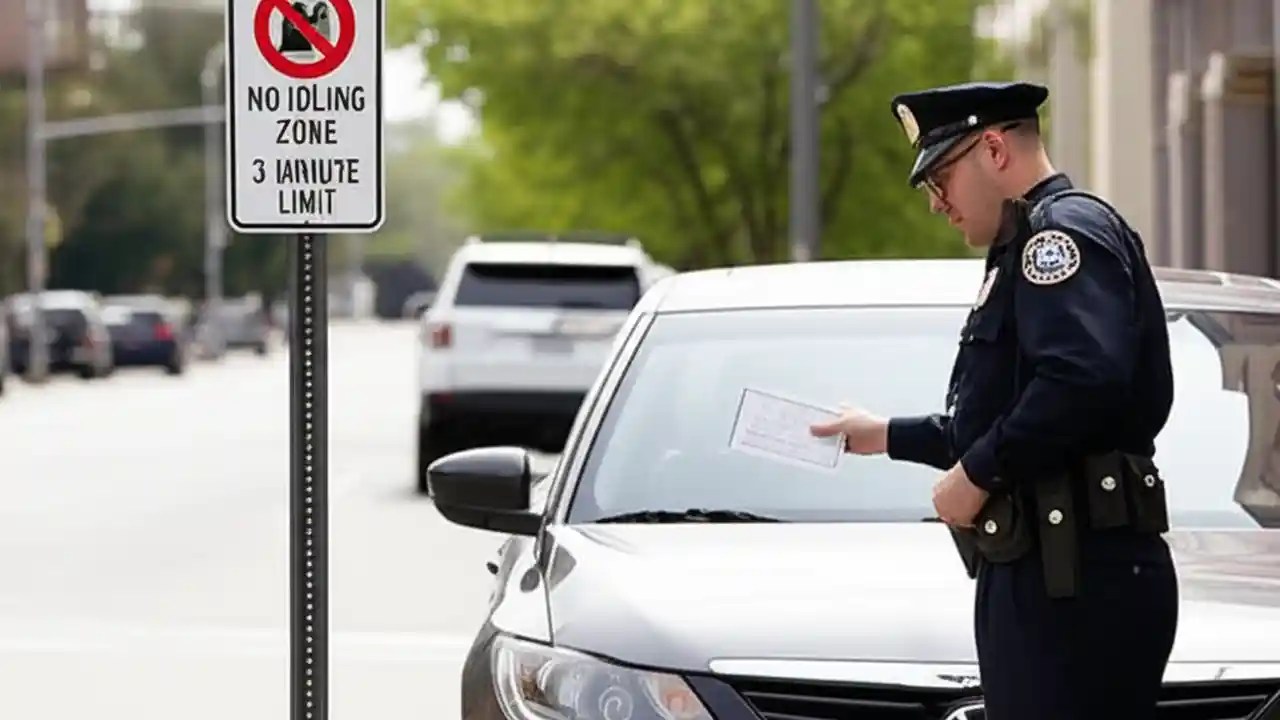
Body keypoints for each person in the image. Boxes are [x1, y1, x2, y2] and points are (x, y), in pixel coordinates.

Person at [810, 81, 1179, 719]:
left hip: (1079, 577)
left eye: (939, 181)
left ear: (993, 149)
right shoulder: (1023, 244)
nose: (937, 205)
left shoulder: (1059, 237)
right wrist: (888, 435)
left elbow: (1080, 379)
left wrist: (979, 473)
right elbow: (1006, 414)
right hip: (1051, 568)